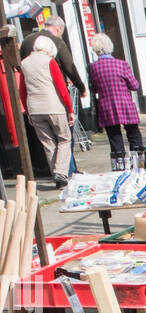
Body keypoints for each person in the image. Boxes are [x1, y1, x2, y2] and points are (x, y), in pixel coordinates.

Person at [18, 35, 73, 186]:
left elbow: (22, 91)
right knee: (64, 138)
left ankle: (56, 175)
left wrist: (28, 111)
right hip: (54, 106)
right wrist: (70, 109)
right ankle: (61, 172)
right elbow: (61, 87)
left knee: (47, 143)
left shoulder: (24, 64)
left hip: (35, 109)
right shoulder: (50, 61)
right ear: (49, 49)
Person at [88, 32, 143, 162]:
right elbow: (134, 85)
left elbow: (93, 88)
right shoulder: (122, 64)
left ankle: (120, 165)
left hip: (106, 106)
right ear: (110, 47)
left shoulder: (93, 68)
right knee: (134, 134)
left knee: (114, 138)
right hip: (125, 104)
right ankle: (139, 162)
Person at [21, 12, 86, 96]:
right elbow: (69, 68)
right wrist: (81, 88)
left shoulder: (26, 40)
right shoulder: (58, 42)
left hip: (33, 91)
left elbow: (21, 66)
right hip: (55, 90)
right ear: (58, 29)